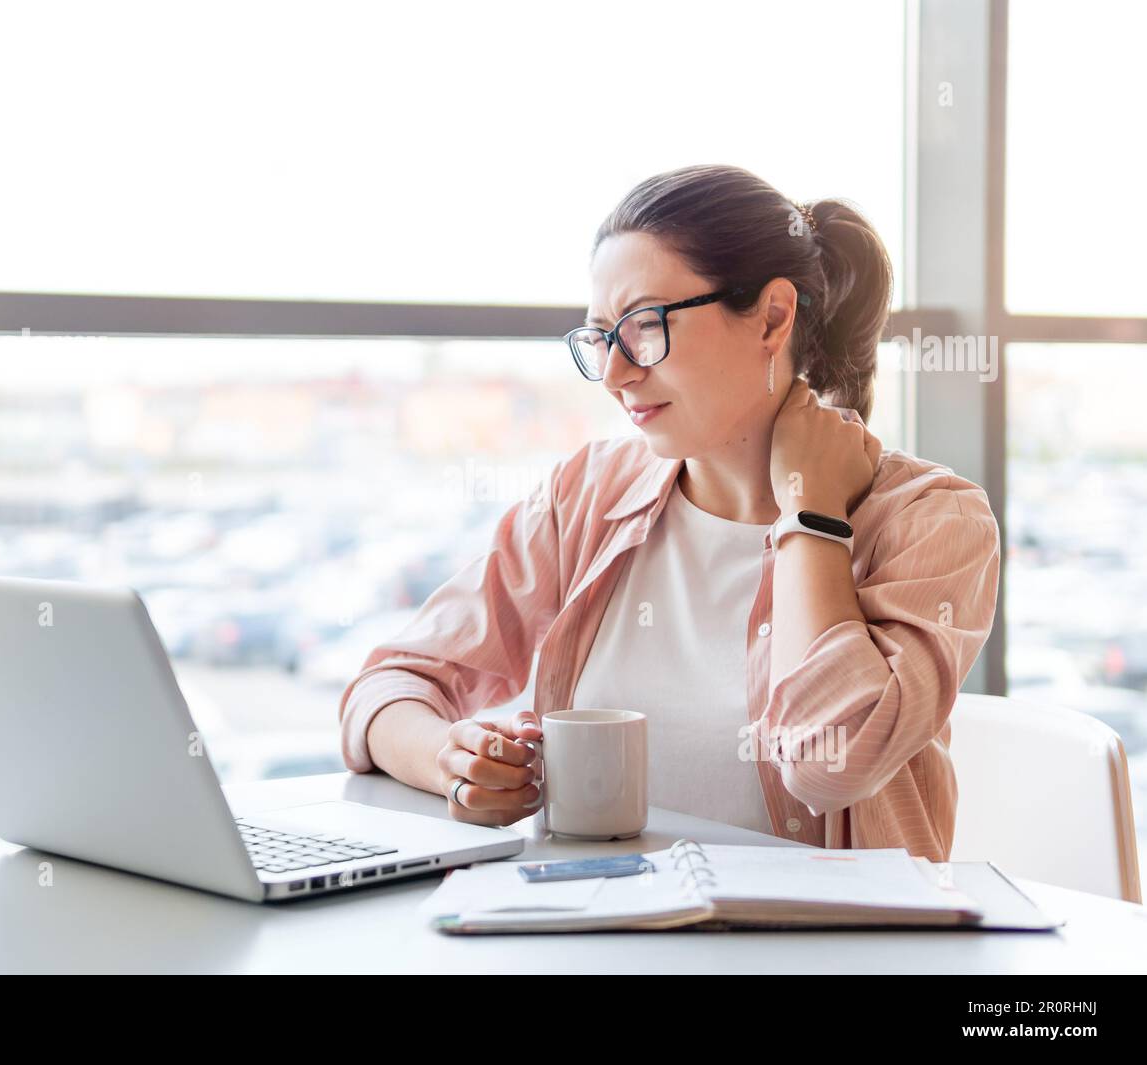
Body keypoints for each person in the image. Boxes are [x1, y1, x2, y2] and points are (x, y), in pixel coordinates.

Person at [338, 164, 1000, 862]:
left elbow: (826, 763)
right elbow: (385, 690)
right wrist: (451, 756)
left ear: (773, 318)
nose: (618, 373)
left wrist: (811, 515)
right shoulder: (589, 492)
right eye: (601, 337)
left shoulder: (933, 522)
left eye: (645, 326)